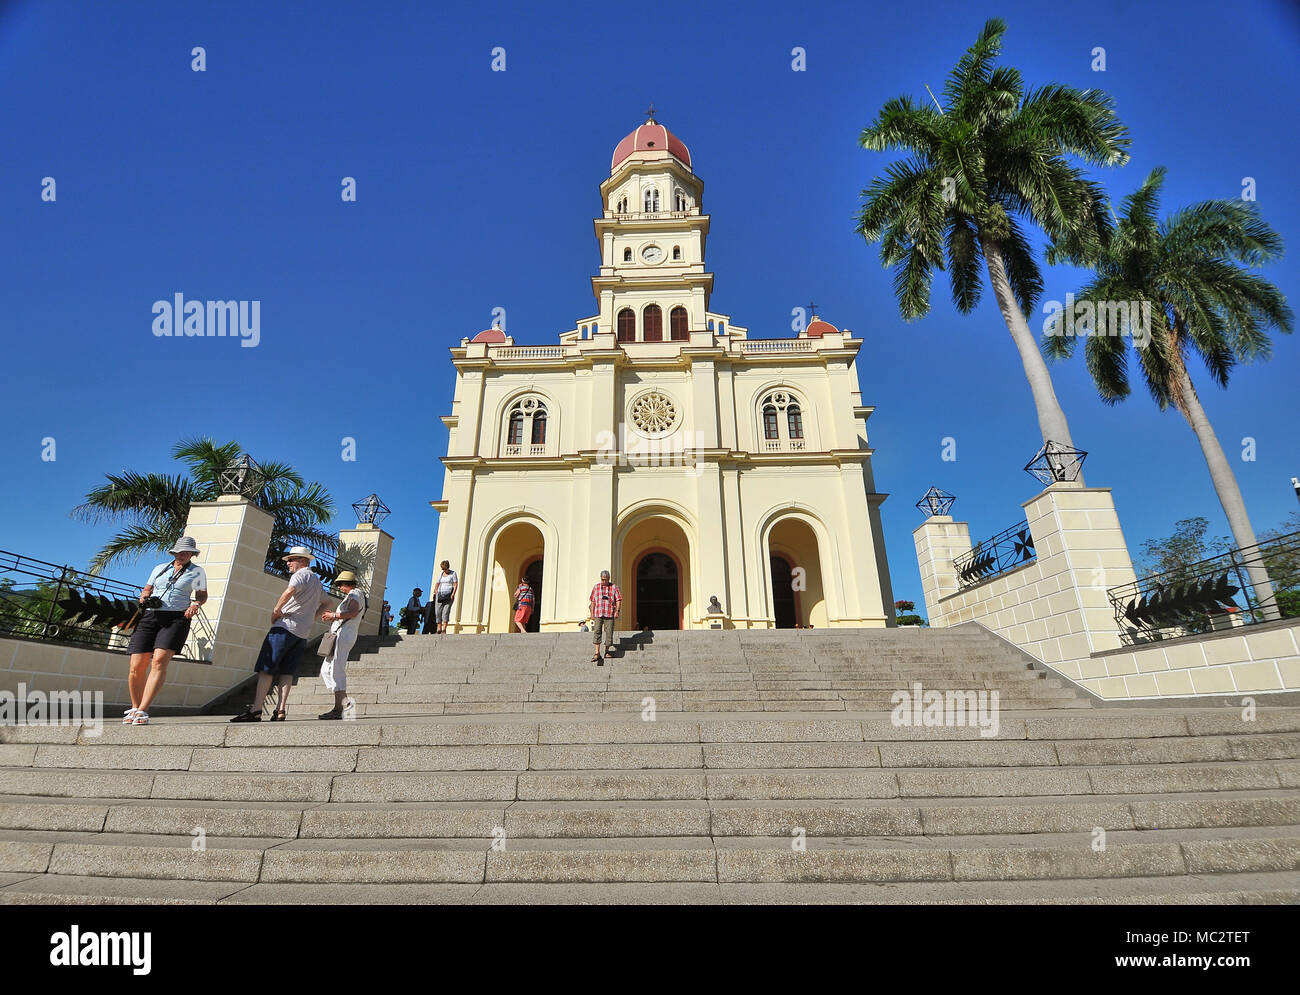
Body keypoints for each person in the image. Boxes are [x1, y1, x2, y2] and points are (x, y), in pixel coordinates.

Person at [230, 547, 330, 722]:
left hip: (285, 628)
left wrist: (276, 610)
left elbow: (289, 591)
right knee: (287, 671)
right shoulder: (316, 581)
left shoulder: (300, 575)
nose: (289, 563)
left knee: (266, 668)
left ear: (304, 561)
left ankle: (256, 709)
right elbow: (328, 602)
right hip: (301, 634)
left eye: (292, 559)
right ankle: (280, 710)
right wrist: (310, 618)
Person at [124, 537, 208, 726]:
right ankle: (135, 707)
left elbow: (202, 596)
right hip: (151, 616)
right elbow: (147, 589)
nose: (183, 554)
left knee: (159, 661)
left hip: (176, 618)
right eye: (180, 551)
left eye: (187, 552)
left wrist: (195, 604)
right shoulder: (159, 568)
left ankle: (143, 710)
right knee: (136, 665)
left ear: (192, 554)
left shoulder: (197, 572)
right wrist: (145, 597)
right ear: (174, 552)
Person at [318, 571, 363, 719]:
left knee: (336, 670)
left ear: (346, 584)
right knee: (326, 670)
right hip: (342, 634)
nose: (339, 587)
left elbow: (353, 612)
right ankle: (344, 701)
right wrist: (334, 617)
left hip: (344, 635)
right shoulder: (354, 595)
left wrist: (334, 615)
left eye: (340, 584)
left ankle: (339, 708)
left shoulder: (354, 594)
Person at [588, 569, 621, 665]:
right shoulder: (596, 587)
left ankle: (607, 651)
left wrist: (617, 611)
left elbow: (618, 599)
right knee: (597, 631)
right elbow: (593, 601)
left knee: (609, 633)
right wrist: (592, 613)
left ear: (609, 579)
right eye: (602, 579)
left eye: (606, 580)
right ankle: (597, 653)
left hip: (609, 613)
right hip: (598, 613)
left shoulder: (614, 587)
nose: (604, 581)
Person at [430, 561, 459, 634]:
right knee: (438, 612)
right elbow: (437, 583)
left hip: (448, 595)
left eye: (445, 569)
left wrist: (453, 594)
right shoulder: (441, 574)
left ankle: (444, 629)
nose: (444, 570)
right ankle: (439, 628)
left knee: (445, 612)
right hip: (440, 595)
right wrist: (436, 590)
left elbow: (455, 584)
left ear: (447, 567)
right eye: (443, 569)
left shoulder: (453, 573)